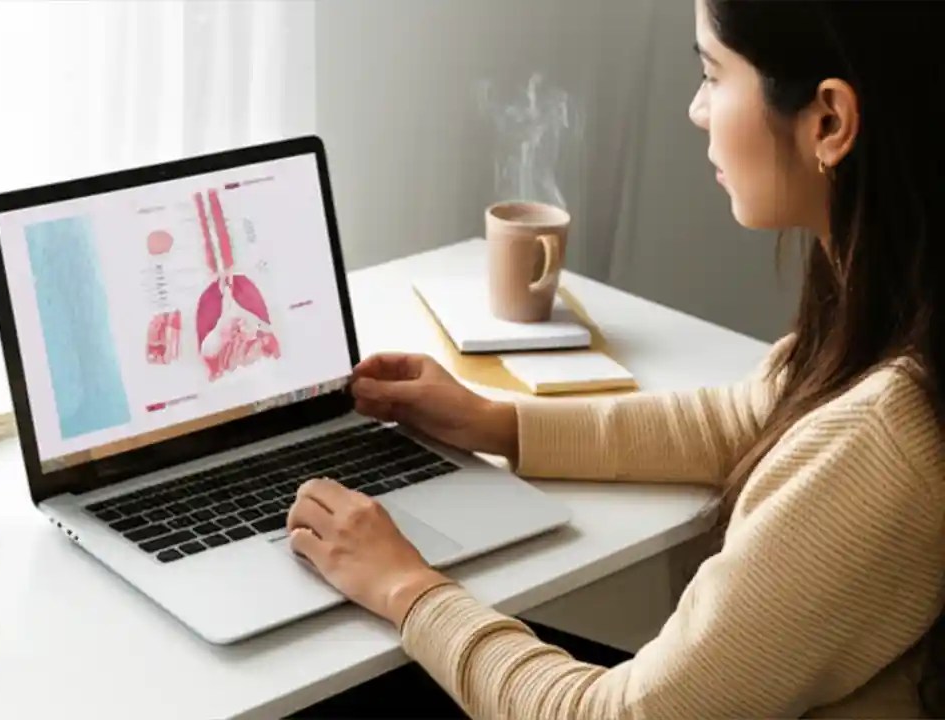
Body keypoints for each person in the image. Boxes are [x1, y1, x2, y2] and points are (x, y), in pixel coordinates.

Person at [285, 0, 945, 717]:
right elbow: (755, 415)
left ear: (829, 122)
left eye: (714, 74)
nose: (697, 109)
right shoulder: (897, 313)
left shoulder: (882, 440)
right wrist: (496, 424)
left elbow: (614, 715)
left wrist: (402, 586)